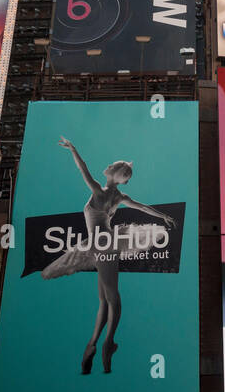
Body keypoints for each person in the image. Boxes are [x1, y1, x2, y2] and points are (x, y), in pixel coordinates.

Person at [42, 136, 176, 374]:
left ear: (113, 173)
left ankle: (103, 343)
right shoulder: (119, 197)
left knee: (110, 299)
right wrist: (161, 215)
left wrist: (74, 149)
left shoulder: (99, 191)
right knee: (107, 299)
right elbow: (143, 207)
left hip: (99, 244)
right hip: (105, 245)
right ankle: (98, 344)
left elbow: (82, 169)